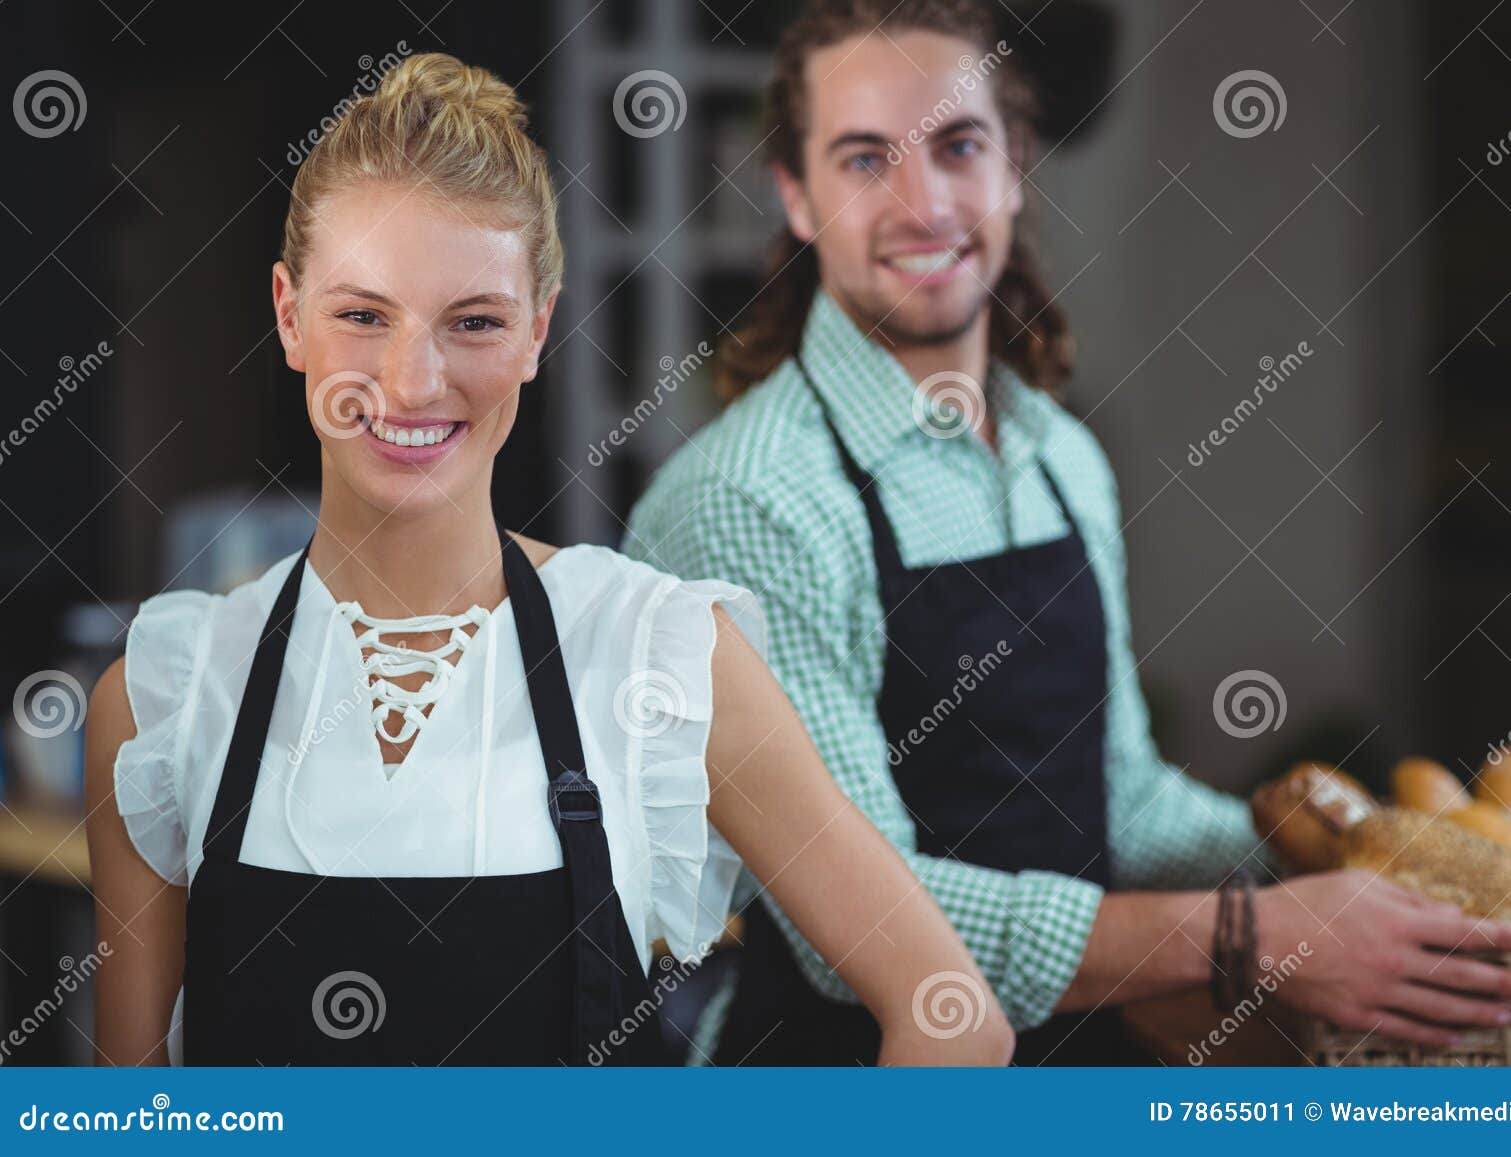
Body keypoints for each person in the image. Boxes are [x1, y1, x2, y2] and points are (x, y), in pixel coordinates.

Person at [624, 0, 1511, 1065]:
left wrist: (1356, 859)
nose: (923, 204)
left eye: (958, 148)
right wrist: (1258, 932)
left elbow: (1120, 801)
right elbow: (859, 928)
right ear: (796, 194)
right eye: (865, 158)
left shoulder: (1057, 457)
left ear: (1013, 167)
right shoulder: (749, 497)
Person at [83, 52, 1014, 1068]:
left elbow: (949, 1012)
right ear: (288, 314)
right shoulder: (163, 703)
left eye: (473, 321)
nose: (412, 379)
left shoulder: (656, 654)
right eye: (362, 315)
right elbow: (136, 1111)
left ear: (537, 329)